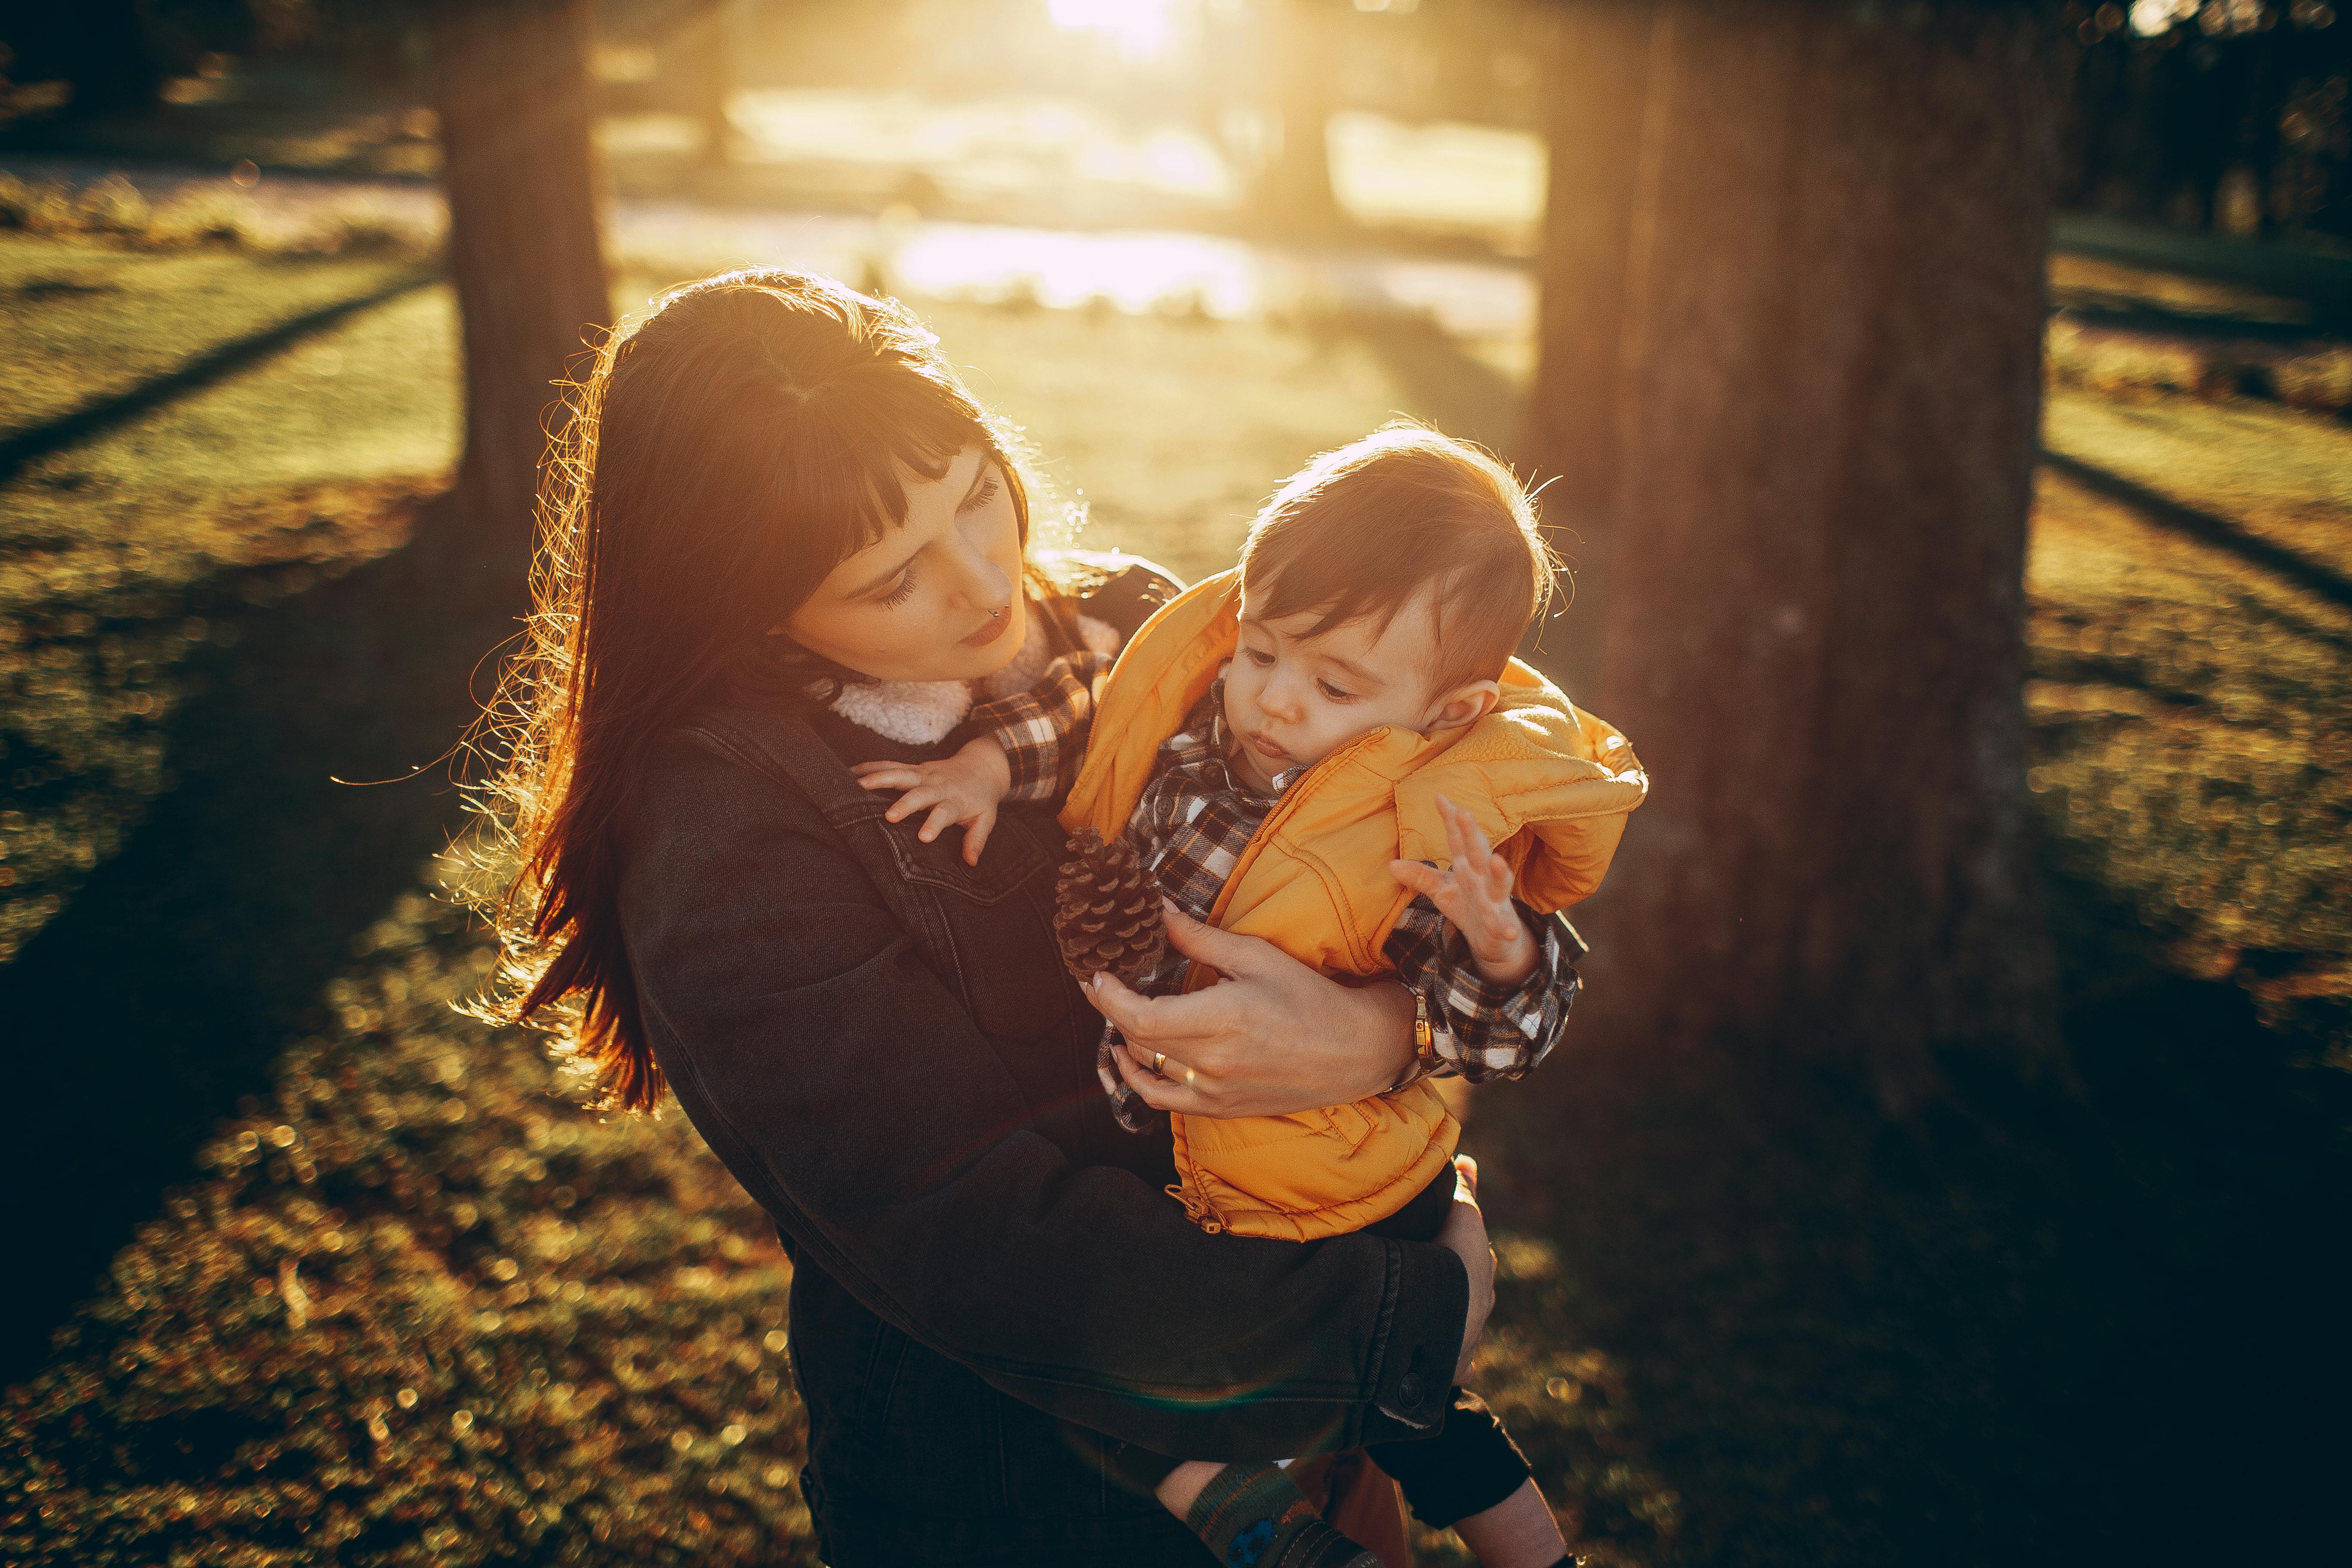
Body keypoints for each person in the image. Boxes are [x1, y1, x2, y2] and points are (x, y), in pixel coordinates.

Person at [480, 269, 1506, 1567]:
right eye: (891, 581)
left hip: (1321, 1425)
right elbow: (965, 1231)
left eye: (976, 493)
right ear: (748, 599)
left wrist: (1384, 1034)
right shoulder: (729, 827)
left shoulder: (1143, 627)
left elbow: (1398, 879)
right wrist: (1399, 1323)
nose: (983, 581)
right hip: (1026, 1502)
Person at [854, 426, 1648, 1566]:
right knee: (1113, 1365)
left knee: (1417, 1408)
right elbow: (1084, 711)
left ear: (1451, 711)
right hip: (1180, 1163)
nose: (1273, 699)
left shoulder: (1429, 831)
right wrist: (985, 767)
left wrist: (1498, 943)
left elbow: (1509, 1034)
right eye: (1262, 649)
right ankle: (1267, 1528)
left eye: (1333, 685)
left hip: (1329, 1176)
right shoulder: (1193, 723)